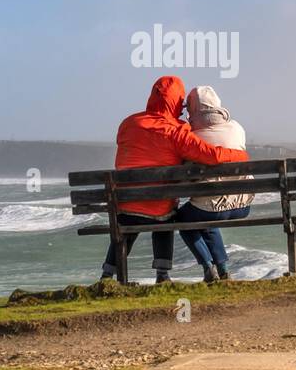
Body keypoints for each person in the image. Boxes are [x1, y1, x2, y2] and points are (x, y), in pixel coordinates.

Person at [100, 76, 248, 284]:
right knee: (165, 215)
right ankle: (162, 275)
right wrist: (241, 157)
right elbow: (212, 155)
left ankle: (108, 274)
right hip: (159, 210)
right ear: (176, 101)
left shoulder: (128, 123)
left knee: (130, 217)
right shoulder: (177, 130)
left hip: (125, 206)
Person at [176, 85, 253, 282]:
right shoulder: (237, 129)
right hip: (243, 206)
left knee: (184, 218)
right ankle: (224, 269)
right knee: (206, 211)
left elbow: (186, 176)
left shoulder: (194, 139)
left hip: (211, 207)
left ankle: (208, 268)